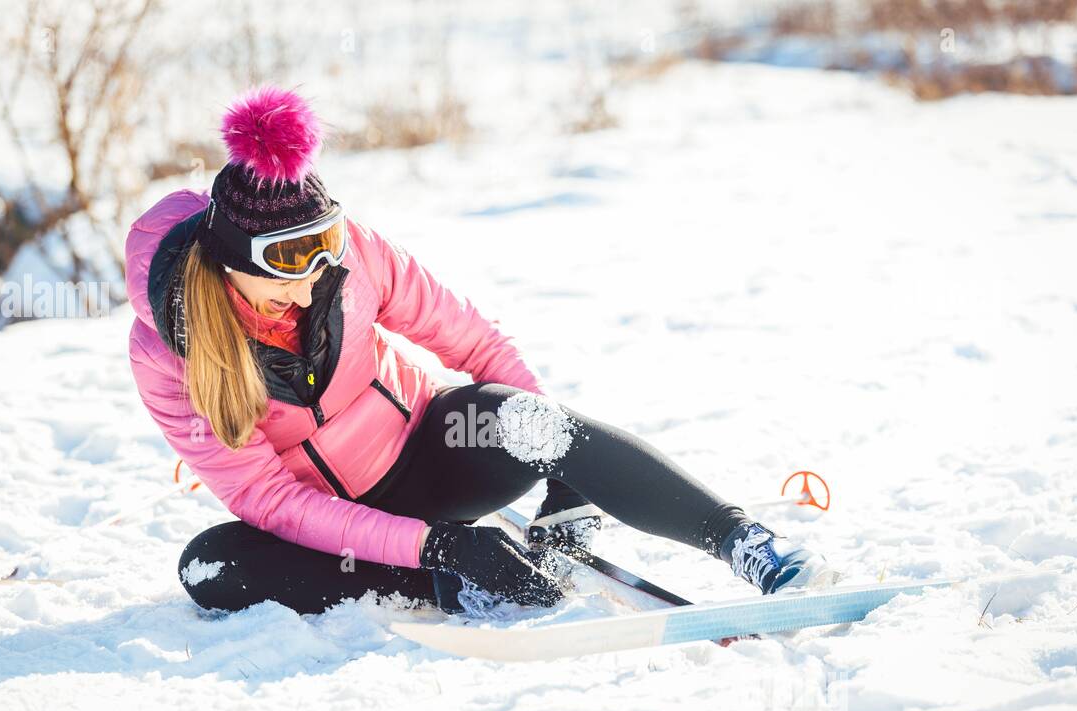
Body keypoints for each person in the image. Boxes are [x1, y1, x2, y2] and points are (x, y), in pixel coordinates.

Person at [124, 86, 835, 616]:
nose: (313, 283)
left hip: (432, 458)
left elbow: (472, 340)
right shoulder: (171, 351)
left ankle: (745, 544)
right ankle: (446, 580)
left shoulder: (353, 262)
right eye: (286, 263)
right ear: (228, 260)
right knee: (212, 567)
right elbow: (269, 500)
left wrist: (562, 464)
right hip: (328, 527)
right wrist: (438, 549)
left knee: (516, 415)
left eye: (324, 250)